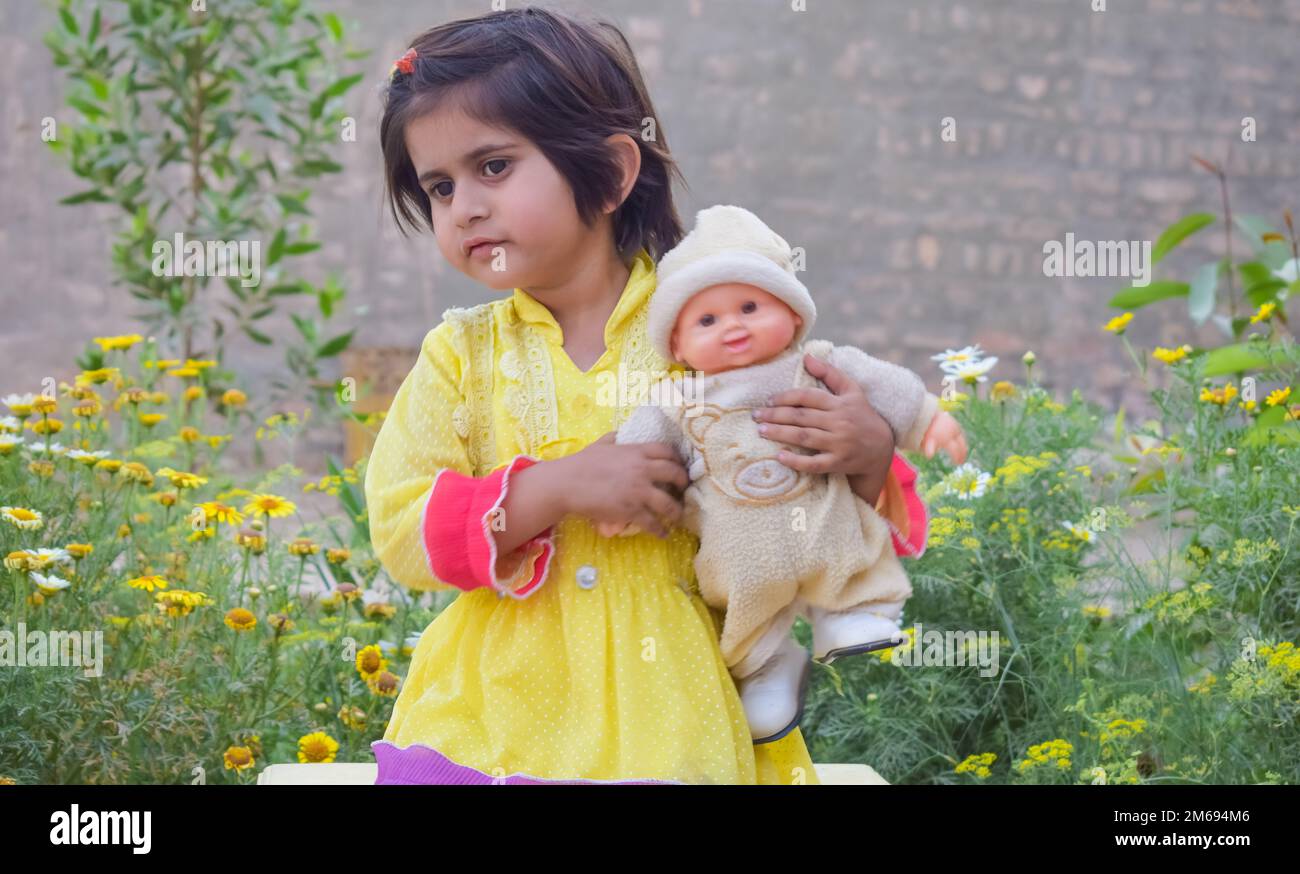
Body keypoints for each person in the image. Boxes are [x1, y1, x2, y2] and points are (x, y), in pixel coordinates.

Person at [364, 6, 929, 785]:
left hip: (675, 707)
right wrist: (555, 486)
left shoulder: (716, 328)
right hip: (494, 713)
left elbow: (816, 498)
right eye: (438, 185)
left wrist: (865, 457)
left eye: (493, 166)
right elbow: (401, 526)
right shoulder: (461, 354)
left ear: (610, 172)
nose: (464, 206)